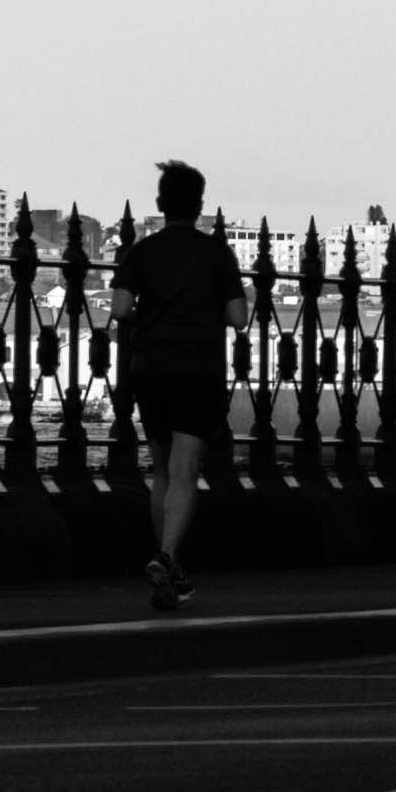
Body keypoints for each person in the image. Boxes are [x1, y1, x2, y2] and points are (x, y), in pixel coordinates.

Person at [113, 163, 235, 611]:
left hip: (151, 368)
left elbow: (120, 309)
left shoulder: (141, 252)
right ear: (200, 205)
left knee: (161, 472)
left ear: (160, 203)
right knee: (186, 471)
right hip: (198, 368)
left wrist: (151, 311)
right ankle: (167, 556)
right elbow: (239, 316)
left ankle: (169, 563)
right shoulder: (216, 253)